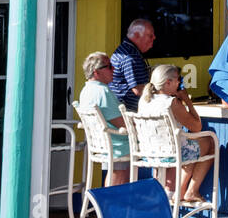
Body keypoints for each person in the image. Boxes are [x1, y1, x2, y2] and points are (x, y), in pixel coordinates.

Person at [137, 64, 215, 205]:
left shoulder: (144, 100)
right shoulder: (171, 102)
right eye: (178, 80)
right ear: (168, 82)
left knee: (191, 145)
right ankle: (189, 191)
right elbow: (197, 127)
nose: (179, 83)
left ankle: (182, 191)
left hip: (150, 152)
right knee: (209, 141)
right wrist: (187, 101)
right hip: (173, 153)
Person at [77, 51, 130, 185]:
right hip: (117, 146)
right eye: (109, 66)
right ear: (96, 72)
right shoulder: (103, 92)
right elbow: (123, 124)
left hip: (103, 145)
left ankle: (111, 203)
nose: (114, 69)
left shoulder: (86, 91)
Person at [109, 19, 154, 112]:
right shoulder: (131, 56)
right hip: (129, 113)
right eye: (150, 35)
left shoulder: (125, 49)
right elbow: (138, 90)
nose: (154, 38)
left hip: (120, 109)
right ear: (137, 35)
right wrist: (162, 93)